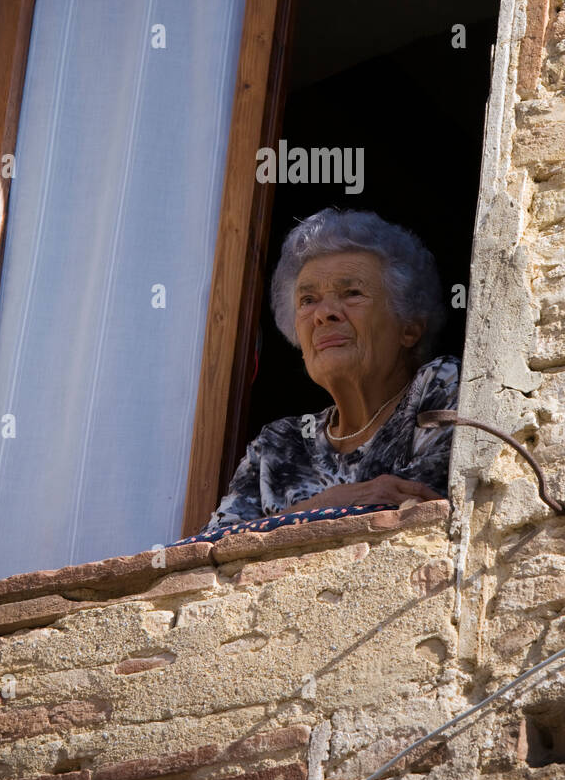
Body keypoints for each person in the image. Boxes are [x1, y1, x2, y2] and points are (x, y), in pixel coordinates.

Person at [192, 207, 460, 541]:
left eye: (352, 293)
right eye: (308, 300)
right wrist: (331, 502)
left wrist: (290, 520)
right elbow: (209, 551)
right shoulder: (279, 444)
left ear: (409, 327)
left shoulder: (437, 385)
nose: (324, 314)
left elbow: (419, 508)